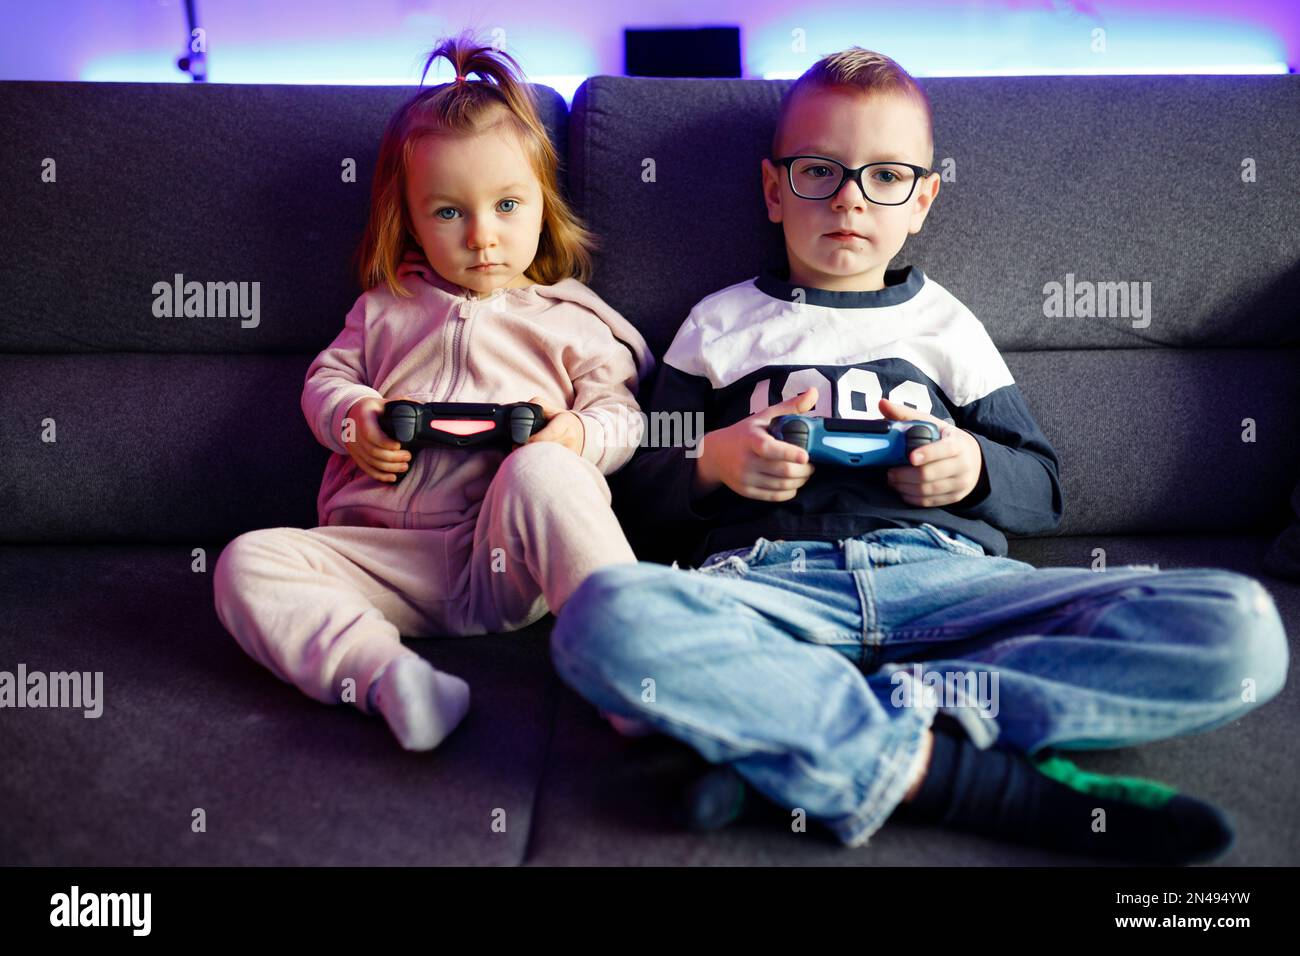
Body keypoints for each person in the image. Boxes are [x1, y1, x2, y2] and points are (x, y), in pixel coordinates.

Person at [550, 47, 1287, 864]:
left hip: (951, 587)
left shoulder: (947, 327)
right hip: (769, 592)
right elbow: (631, 493)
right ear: (772, 189)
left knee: (1239, 630)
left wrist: (968, 466)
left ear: (923, 199)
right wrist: (713, 462)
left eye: (886, 177)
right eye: (818, 173)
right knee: (604, 617)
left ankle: (799, 743)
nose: (850, 201)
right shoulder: (718, 324)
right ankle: (970, 778)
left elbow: (1043, 490)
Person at [214, 33, 651, 753]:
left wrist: (574, 437)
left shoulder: (575, 321)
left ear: (543, 202)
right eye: (449, 212)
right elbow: (325, 380)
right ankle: (391, 680)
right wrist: (355, 420)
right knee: (247, 562)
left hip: (506, 559)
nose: (483, 237)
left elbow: (624, 417)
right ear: (409, 218)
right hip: (379, 559)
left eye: (507, 205)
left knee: (545, 470)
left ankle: (639, 668)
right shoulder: (384, 308)